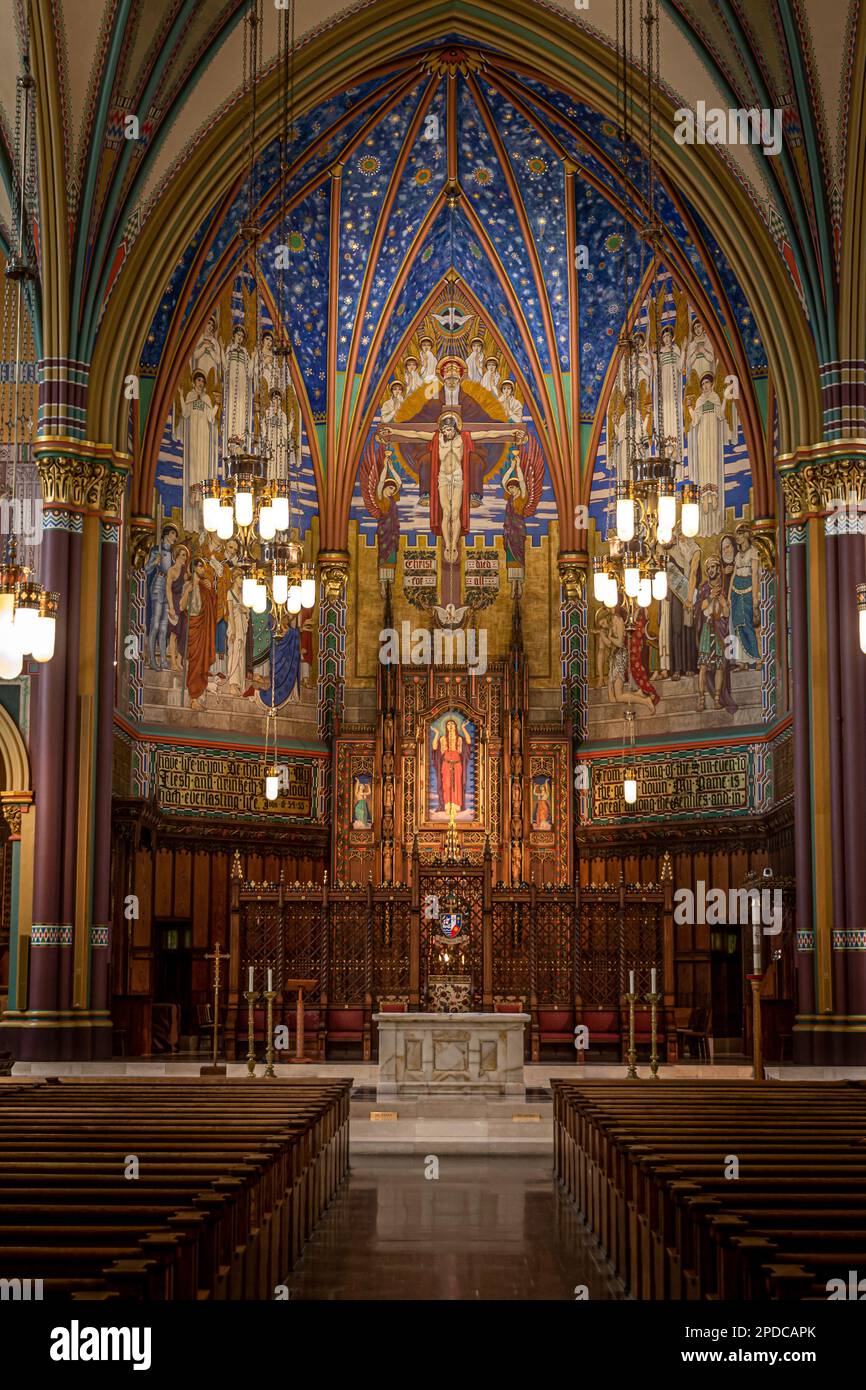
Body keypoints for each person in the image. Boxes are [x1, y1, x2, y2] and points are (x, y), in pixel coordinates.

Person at [181, 557, 217, 709]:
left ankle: (197, 698)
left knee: (201, 663)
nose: (204, 570)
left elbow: (213, 606)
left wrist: (212, 590)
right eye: (201, 567)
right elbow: (182, 607)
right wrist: (187, 591)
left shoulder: (205, 586)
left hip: (203, 628)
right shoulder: (187, 585)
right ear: (194, 568)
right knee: (194, 663)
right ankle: (193, 698)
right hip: (193, 627)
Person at [144, 524, 179, 670]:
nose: (174, 538)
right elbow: (147, 568)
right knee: (156, 624)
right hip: (158, 584)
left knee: (165, 627)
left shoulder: (172, 554)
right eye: (172, 534)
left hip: (168, 588)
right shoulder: (156, 550)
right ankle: (152, 659)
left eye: (175, 535)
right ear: (165, 534)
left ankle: (164, 660)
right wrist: (155, 561)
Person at [729, 523, 760, 668]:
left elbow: (754, 574)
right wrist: (729, 595)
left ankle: (754, 658)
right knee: (737, 626)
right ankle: (742, 660)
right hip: (736, 590)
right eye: (737, 534)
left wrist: (755, 597)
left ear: (747, 534)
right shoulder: (738, 555)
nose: (738, 537)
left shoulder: (753, 552)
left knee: (747, 625)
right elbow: (734, 574)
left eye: (740, 534)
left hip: (747, 590)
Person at [432, 717, 472, 816]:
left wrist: (463, 728)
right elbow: (434, 747)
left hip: (457, 764)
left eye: (452, 724)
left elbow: (468, 742)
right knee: (446, 784)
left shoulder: (459, 739)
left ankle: (456, 806)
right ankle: (447, 806)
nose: (450, 726)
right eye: (448, 724)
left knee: (457, 785)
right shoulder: (442, 739)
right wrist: (436, 733)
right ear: (445, 727)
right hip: (446, 764)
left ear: (455, 726)